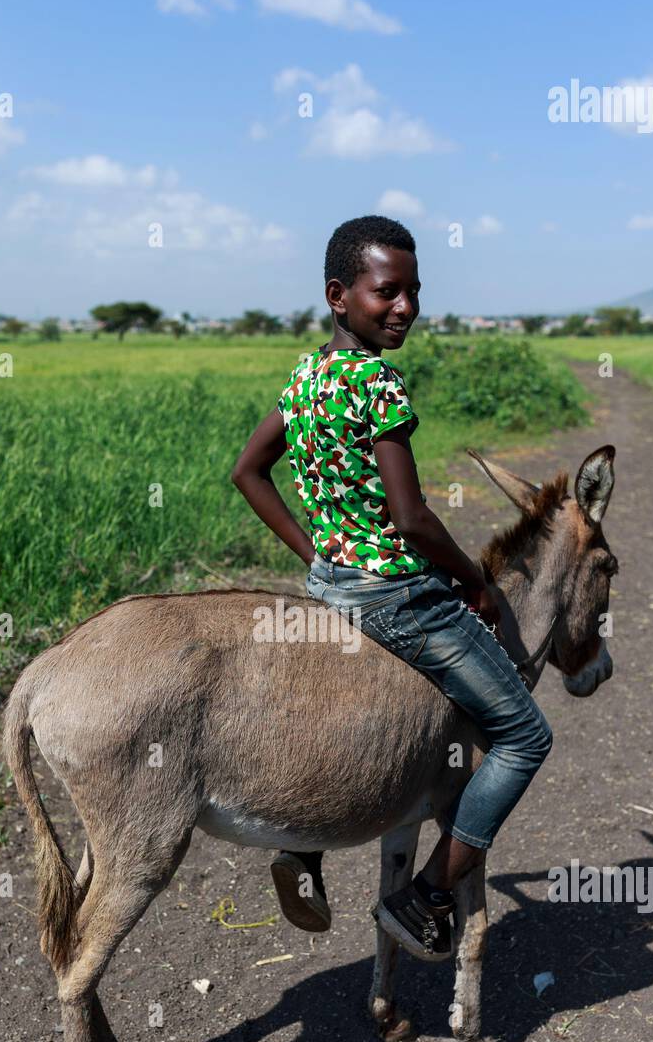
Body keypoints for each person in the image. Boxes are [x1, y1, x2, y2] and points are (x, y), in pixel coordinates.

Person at [231, 215, 552, 961]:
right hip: (397, 597)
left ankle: (306, 846)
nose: (405, 307)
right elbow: (411, 520)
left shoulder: (307, 376)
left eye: (413, 291)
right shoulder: (376, 379)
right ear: (339, 296)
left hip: (331, 589)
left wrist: (319, 552)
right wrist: (476, 582)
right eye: (387, 292)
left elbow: (248, 472)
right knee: (526, 734)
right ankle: (426, 894)